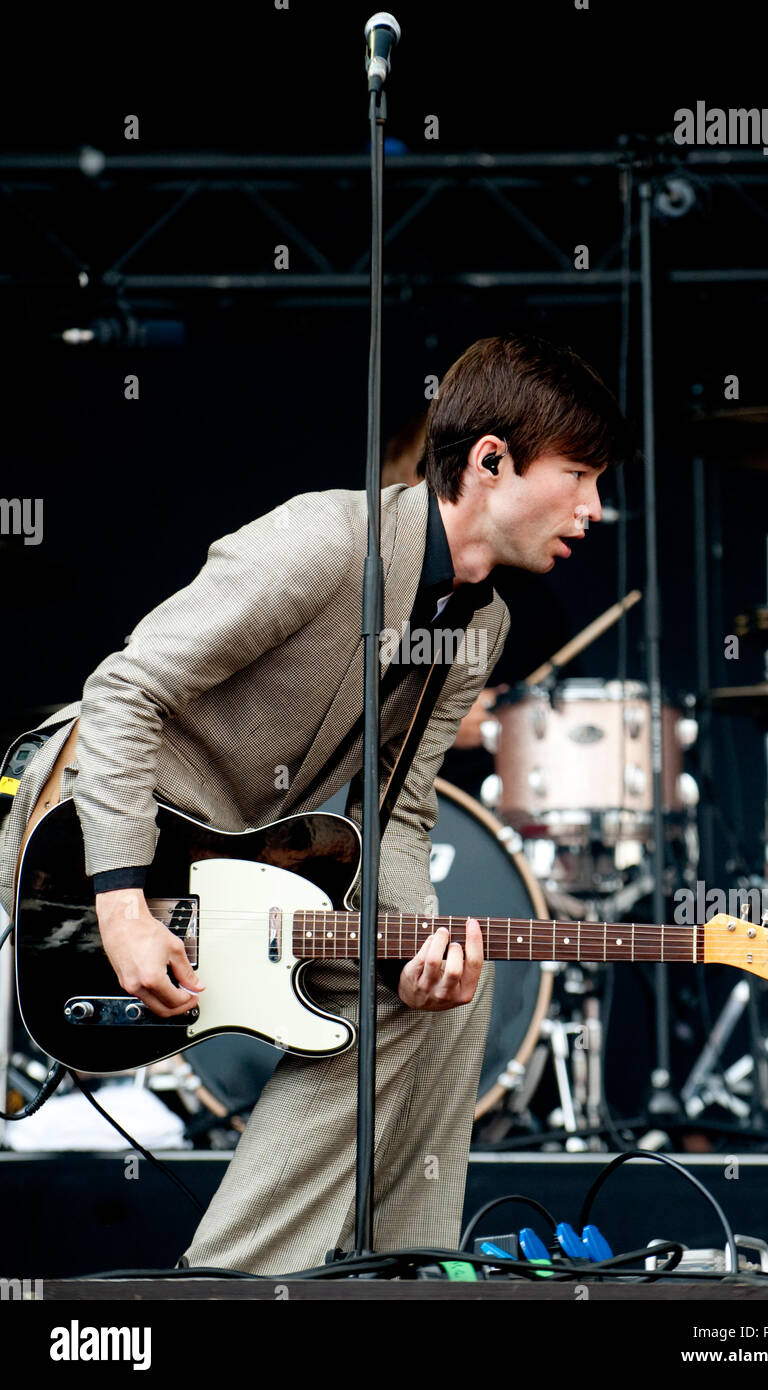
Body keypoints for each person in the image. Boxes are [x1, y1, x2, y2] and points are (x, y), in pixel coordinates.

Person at [0, 332, 632, 1274]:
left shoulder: (481, 622)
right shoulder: (323, 543)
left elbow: (399, 810)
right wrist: (123, 903)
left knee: (455, 984)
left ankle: (399, 1275)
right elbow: (126, 691)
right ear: (491, 462)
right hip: (93, 839)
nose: (593, 506)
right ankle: (236, 1288)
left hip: (232, 865)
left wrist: (417, 945)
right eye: (578, 475)